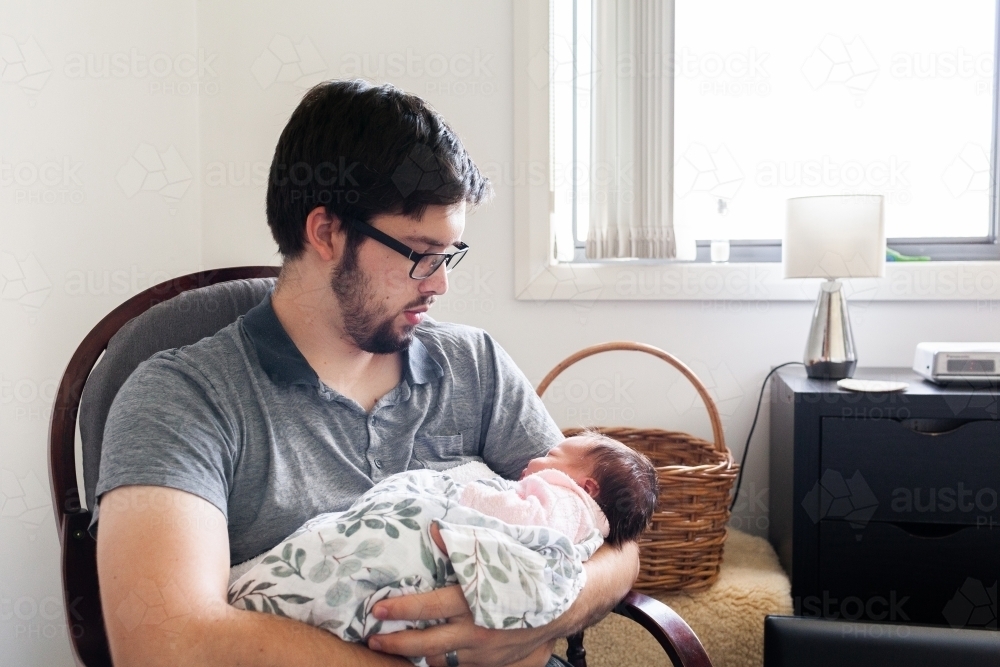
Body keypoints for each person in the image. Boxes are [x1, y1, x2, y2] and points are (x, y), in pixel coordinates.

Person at [94, 79, 641, 667]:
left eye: (449, 254)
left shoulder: (474, 365)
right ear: (326, 231)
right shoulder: (183, 399)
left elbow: (612, 539)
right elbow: (162, 644)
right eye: (418, 253)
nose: (440, 283)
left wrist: (528, 620)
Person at [227, 433, 659, 659]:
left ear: (586, 486)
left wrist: (467, 497)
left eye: (550, 453)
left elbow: (616, 549)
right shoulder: (194, 387)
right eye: (421, 258)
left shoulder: (566, 502)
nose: (536, 459)